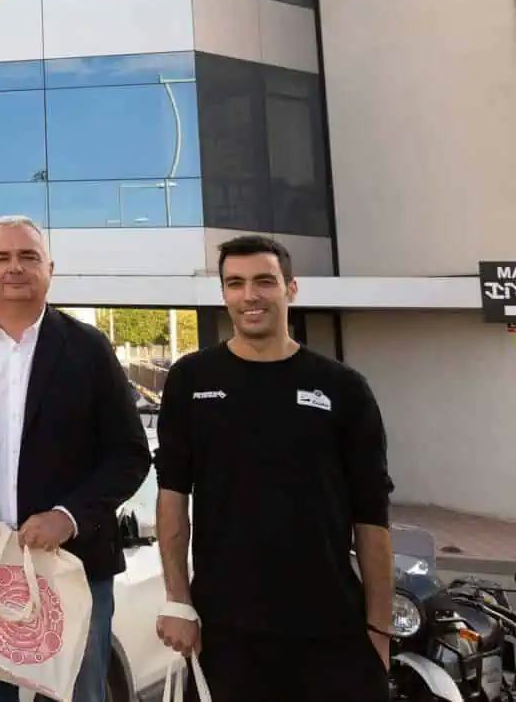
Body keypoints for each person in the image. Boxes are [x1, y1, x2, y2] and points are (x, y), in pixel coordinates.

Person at [0, 215, 149, 702]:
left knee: (82, 695)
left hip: (73, 567)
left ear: (50, 268)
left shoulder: (89, 348)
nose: (15, 268)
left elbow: (130, 454)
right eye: (1, 258)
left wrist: (69, 516)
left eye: (28, 256)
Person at [155, 235, 393, 701]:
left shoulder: (343, 388)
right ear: (223, 293)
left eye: (265, 281)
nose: (250, 296)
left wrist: (378, 632)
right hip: (224, 631)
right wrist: (178, 601)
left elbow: (371, 517)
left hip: (329, 627)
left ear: (291, 288)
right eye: (235, 283)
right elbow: (172, 498)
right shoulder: (191, 380)